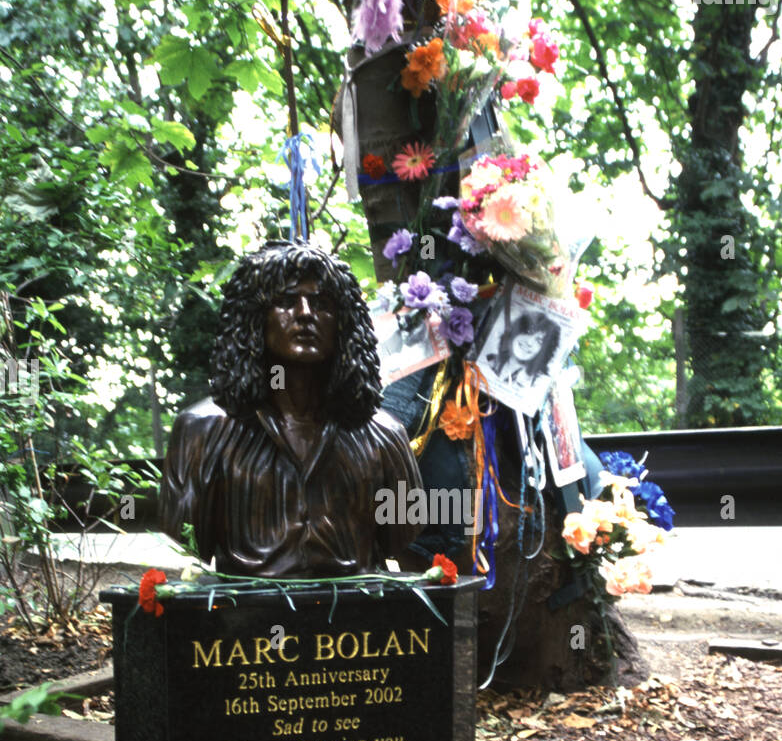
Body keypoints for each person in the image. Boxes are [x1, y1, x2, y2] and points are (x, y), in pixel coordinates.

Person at [159, 239, 421, 577]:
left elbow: (407, 536)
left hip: (356, 625)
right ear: (253, 317)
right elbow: (184, 539)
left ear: (344, 322)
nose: (305, 315)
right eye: (285, 302)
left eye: (322, 303)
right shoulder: (202, 431)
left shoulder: (385, 436)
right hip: (245, 623)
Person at [486, 311, 561, 392]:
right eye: (528, 332)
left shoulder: (537, 384)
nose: (529, 342)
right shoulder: (489, 360)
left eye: (539, 341)